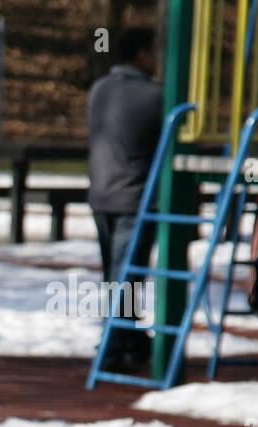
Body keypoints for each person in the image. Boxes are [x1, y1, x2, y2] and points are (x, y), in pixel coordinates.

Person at [88, 25, 164, 371]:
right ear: (142, 55)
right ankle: (114, 344)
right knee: (126, 277)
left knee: (116, 274)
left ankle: (129, 339)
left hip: (102, 194)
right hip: (134, 197)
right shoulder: (155, 96)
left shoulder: (100, 89)